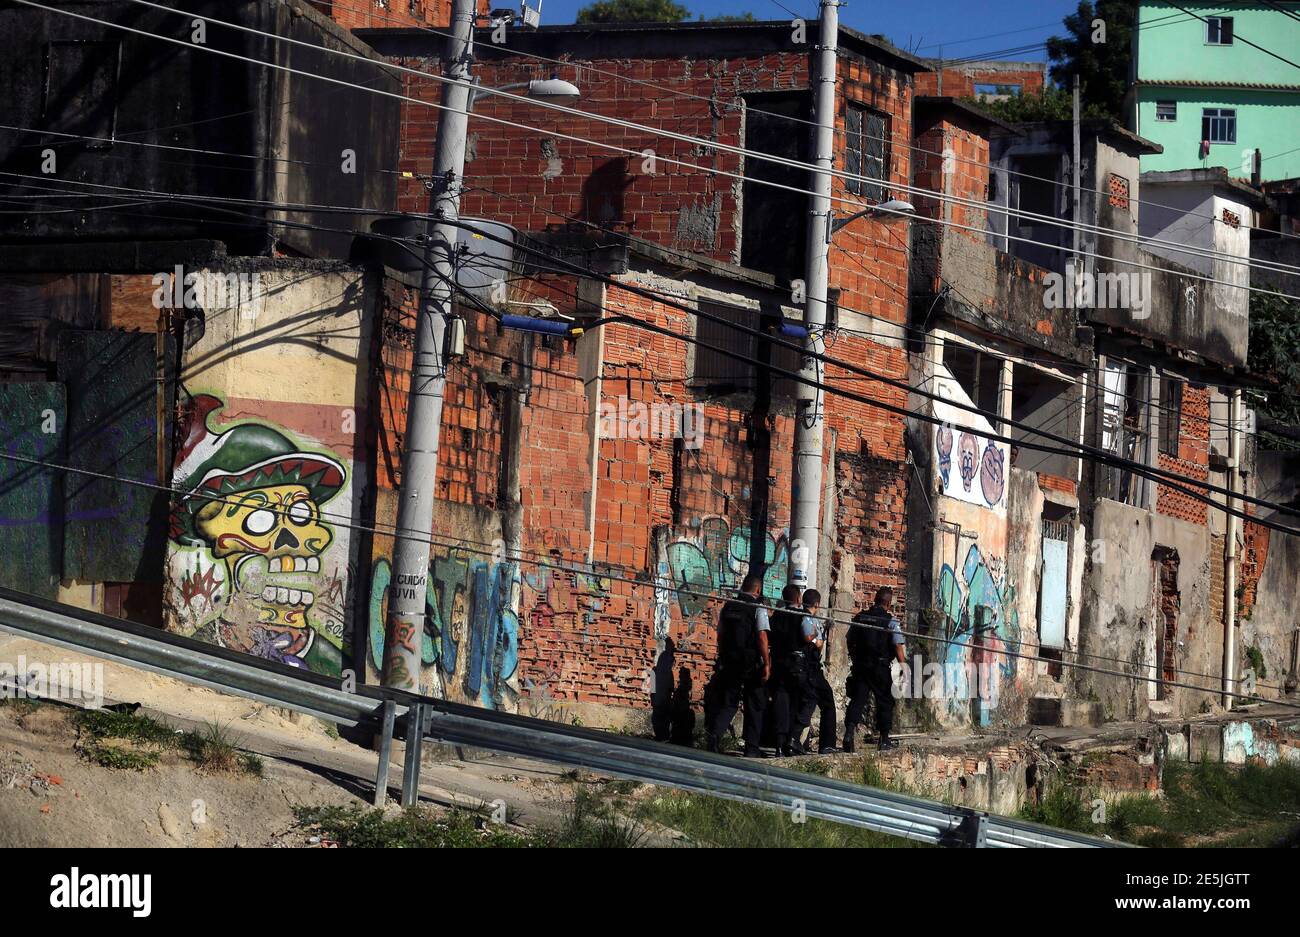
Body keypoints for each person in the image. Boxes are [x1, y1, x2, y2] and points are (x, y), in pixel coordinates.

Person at [703, 573, 771, 757]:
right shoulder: (758, 607)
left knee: (729, 701)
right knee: (754, 703)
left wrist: (723, 655)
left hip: (730, 660)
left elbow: (721, 634)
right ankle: (752, 748)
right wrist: (766, 663)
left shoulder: (729, 606)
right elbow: (762, 636)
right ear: (757, 589)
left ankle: (715, 736)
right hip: (751, 662)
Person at [844, 586, 906, 752]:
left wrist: (855, 657)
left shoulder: (860, 617)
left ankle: (848, 734)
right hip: (880, 667)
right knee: (885, 701)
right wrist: (905, 667)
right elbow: (898, 645)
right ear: (888, 603)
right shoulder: (890, 621)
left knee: (858, 699)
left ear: (875, 600)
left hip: (861, 666)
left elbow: (849, 639)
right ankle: (884, 739)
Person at [791, 588, 838, 754]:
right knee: (824, 701)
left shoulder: (794, 617)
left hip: (800, 667)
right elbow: (816, 643)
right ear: (817, 604)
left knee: (803, 701)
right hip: (810, 668)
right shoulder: (809, 620)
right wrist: (822, 635)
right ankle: (826, 744)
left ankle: (795, 739)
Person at [767, 584, 805, 756]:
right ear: (798, 598)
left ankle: (779, 744)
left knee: (780, 703)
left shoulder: (776, 616)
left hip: (778, 663)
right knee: (795, 703)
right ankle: (791, 740)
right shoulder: (802, 616)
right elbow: (808, 638)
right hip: (796, 666)